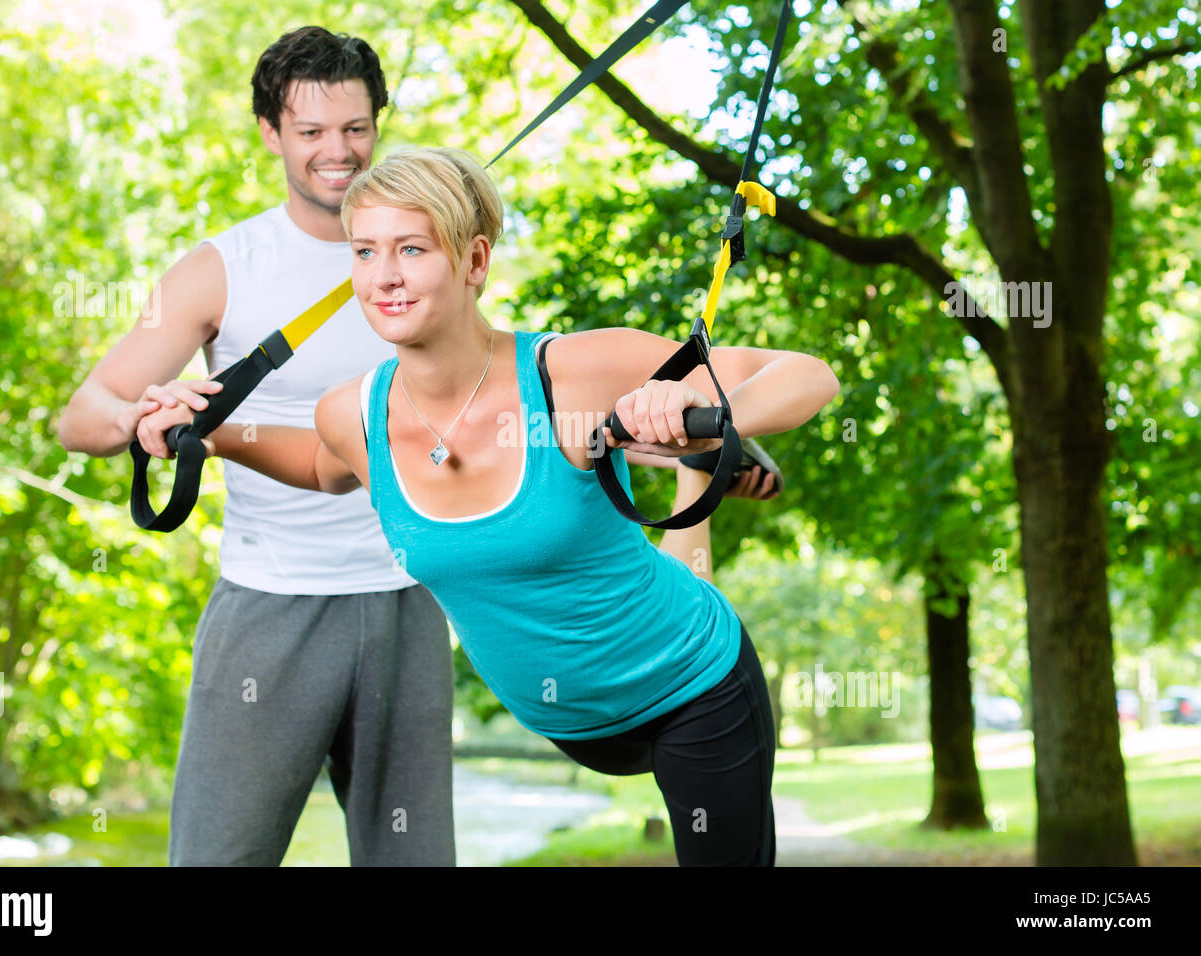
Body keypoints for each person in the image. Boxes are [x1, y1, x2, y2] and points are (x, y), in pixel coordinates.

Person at [145, 146, 840, 866]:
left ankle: (695, 468)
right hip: (566, 722)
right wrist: (209, 433)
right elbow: (324, 467)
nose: (383, 277)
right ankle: (694, 474)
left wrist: (707, 409)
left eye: (411, 249)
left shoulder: (571, 374)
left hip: (694, 689)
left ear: (474, 261)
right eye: (364, 251)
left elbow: (807, 378)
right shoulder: (353, 415)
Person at [57, 29, 456, 866]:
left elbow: (495, 402)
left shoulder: (426, 256)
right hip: (271, 606)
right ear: (272, 133)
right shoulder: (221, 269)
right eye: (311, 132)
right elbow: (83, 415)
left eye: (355, 128)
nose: (337, 152)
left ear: (378, 123)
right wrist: (148, 421)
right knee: (217, 856)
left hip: (410, 597)